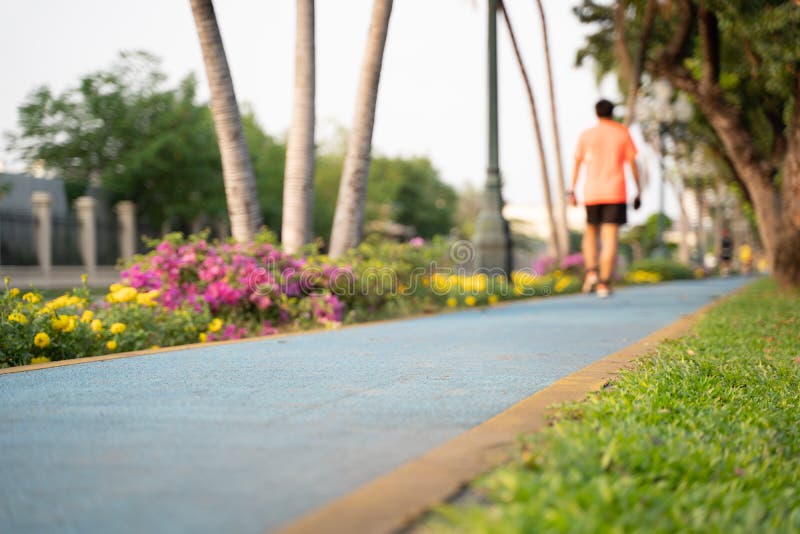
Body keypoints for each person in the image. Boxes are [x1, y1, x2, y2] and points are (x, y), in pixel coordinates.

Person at [569, 99, 641, 298]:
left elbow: (577, 164)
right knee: (610, 238)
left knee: (590, 232)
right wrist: (639, 189)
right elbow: (633, 163)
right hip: (615, 191)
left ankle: (591, 272)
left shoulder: (586, 135)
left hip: (591, 192)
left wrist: (572, 190)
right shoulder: (621, 133)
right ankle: (604, 283)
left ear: (596, 113)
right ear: (612, 112)